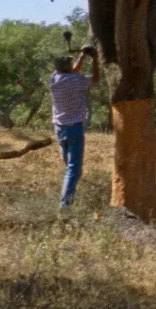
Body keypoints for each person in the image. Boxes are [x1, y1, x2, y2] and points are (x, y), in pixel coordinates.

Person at [49, 44, 99, 207]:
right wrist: (95, 59)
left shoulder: (54, 79)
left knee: (71, 167)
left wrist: (82, 57)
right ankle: (65, 206)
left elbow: (73, 71)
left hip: (59, 128)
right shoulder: (75, 81)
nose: (73, 67)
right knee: (73, 169)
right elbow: (95, 79)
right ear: (68, 68)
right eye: (71, 64)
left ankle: (69, 195)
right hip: (73, 129)